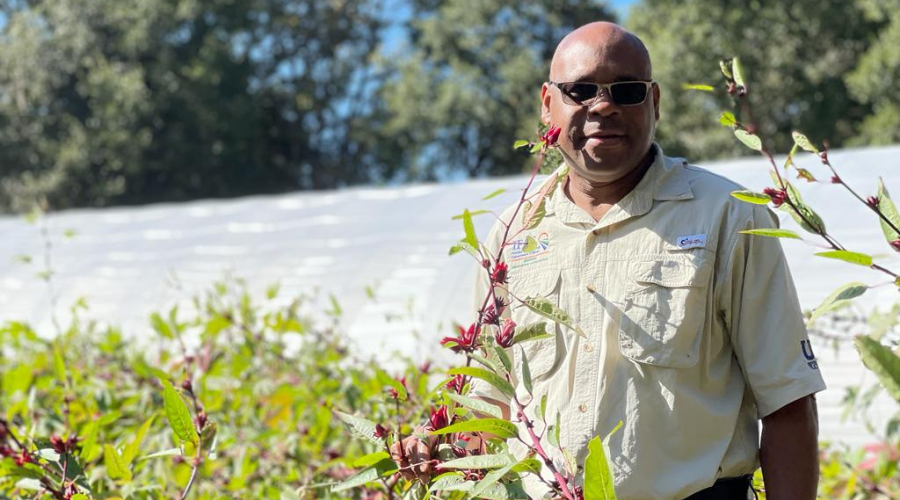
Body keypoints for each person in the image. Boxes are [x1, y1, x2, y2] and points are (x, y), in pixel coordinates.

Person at [394, 21, 826, 500]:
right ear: (547, 104)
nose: (604, 106)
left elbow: (787, 400)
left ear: (655, 103)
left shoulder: (728, 215)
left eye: (627, 90)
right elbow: (489, 408)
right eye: (581, 90)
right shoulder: (512, 235)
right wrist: (435, 448)